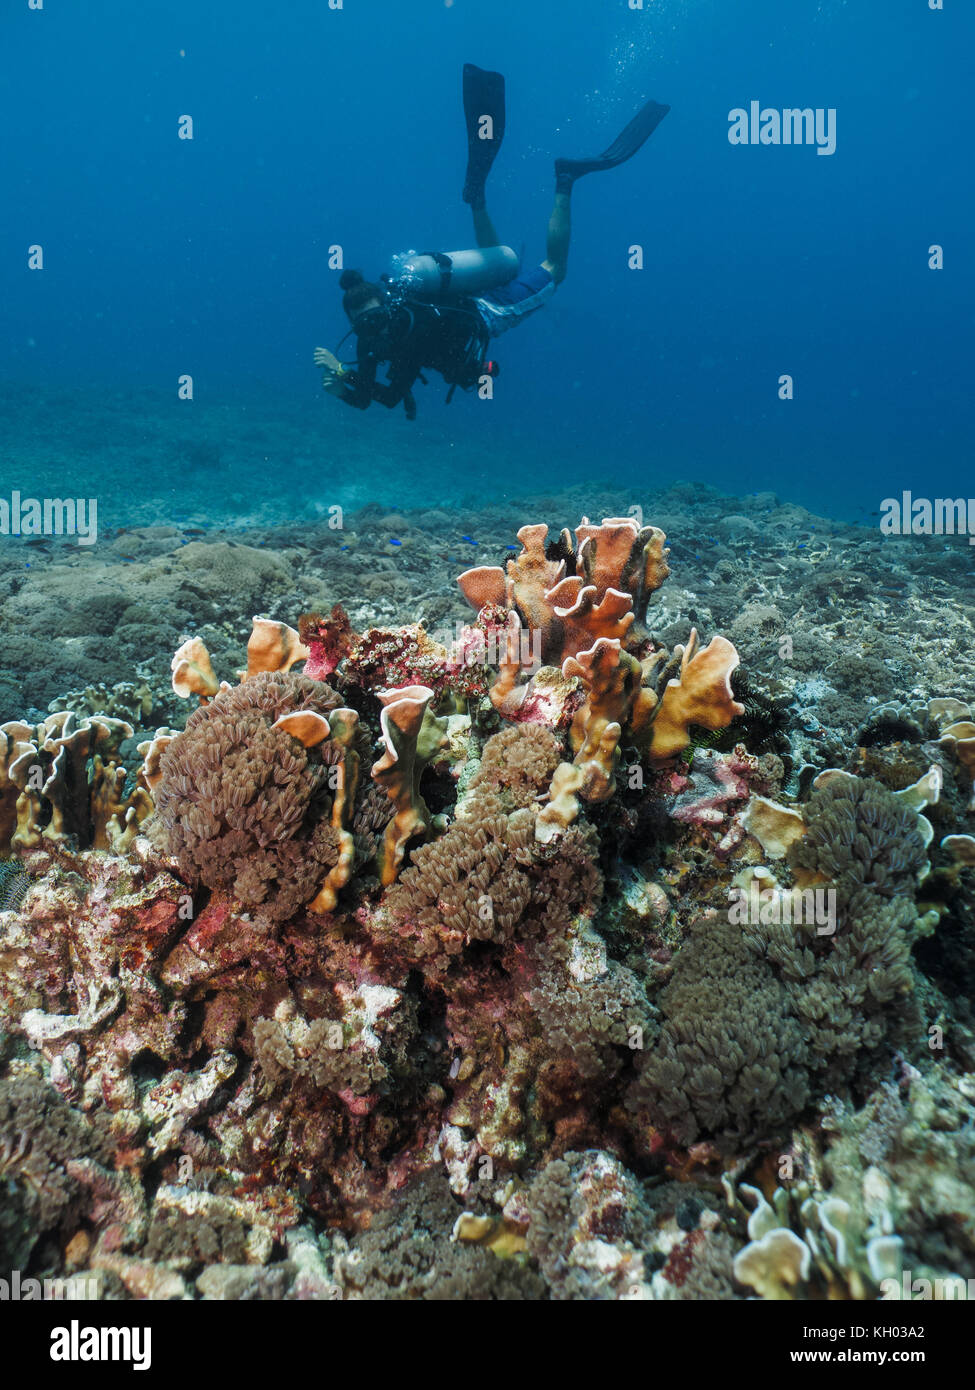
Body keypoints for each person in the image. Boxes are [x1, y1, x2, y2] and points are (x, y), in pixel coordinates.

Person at [314, 65, 670, 419]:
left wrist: (344, 373)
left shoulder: (407, 326)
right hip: (469, 294)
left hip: (489, 311)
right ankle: (477, 199)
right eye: (366, 325)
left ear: (387, 306)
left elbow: (392, 394)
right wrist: (341, 389)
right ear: (354, 325)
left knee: (556, 270)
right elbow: (373, 398)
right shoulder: (370, 340)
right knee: (502, 263)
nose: (373, 327)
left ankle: (566, 179)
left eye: (375, 319)